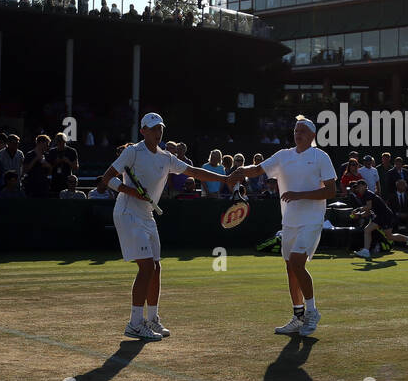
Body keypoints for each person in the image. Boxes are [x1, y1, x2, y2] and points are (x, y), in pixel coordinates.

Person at [97, 112, 237, 341]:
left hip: (147, 215)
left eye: (160, 128)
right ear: (143, 131)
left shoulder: (167, 157)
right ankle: (134, 323)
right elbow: (106, 179)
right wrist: (129, 190)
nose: (157, 132)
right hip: (127, 213)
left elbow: (194, 172)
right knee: (146, 267)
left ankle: (152, 319)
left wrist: (224, 179)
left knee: (156, 267)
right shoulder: (132, 152)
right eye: (152, 128)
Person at [225, 116, 337, 337]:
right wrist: (240, 171)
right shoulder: (283, 156)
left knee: (297, 263)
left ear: (313, 135)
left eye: (303, 130)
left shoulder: (320, 157)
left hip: (312, 220)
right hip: (289, 221)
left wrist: (299, 195)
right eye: (296, 130)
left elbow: (331, 191)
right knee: (290, 267)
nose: (298, 133)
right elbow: (257, 169)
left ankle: (312, 311)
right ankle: (298, 316)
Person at [349, 180, 408, 258]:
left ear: (365, 186)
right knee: (389, 236)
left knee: (368, 230)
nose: (358, 189)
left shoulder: (367, 193)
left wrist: (358, 210)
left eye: (359, 187)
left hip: (385, 215)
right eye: (357, 188)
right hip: (382, 216)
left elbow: (369, 207)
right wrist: (358, 215)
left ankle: (366, 251)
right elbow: (368, 212)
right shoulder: (365, 196)